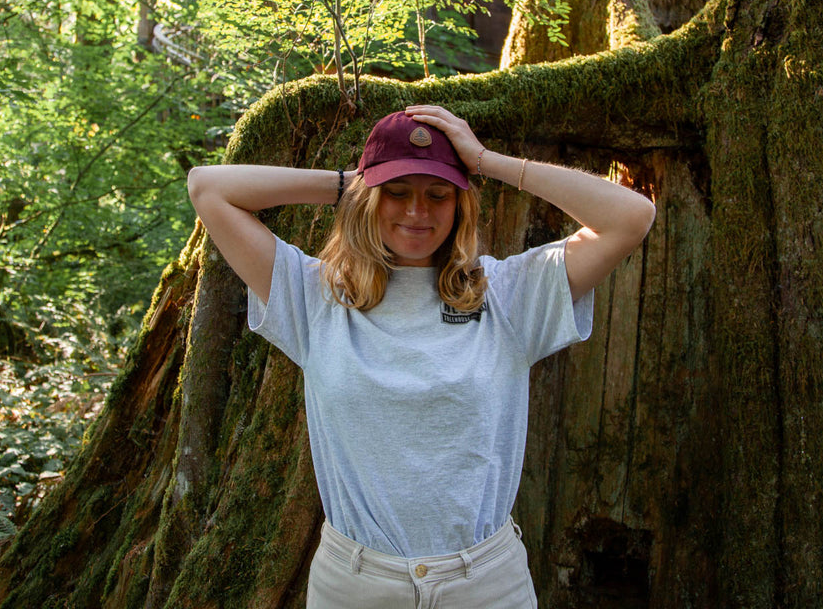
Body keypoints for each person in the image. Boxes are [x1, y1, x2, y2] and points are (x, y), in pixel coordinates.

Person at [187, 105, 655, 608]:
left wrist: (487, 162)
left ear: (460, 204)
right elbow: (208, 187)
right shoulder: (316, 296)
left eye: (438, 194)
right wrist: (353, 181)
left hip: (484, 586)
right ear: (368, 201)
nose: (418, 211)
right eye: (398, 193)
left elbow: (630, 217)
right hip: (355, 586)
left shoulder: (507, 295)